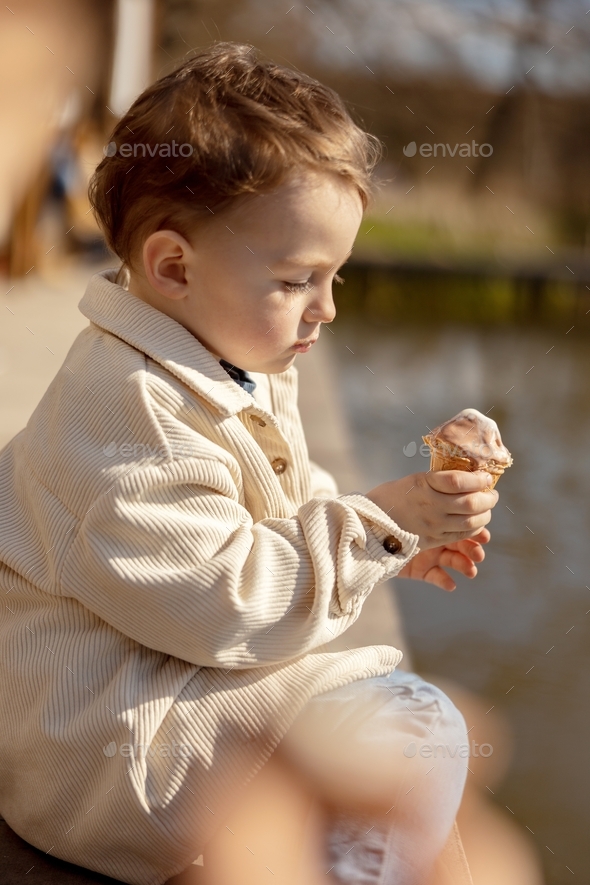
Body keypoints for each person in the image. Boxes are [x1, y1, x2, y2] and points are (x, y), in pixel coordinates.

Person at [0, 42, 498, 885]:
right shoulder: (128, 412)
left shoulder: (226, 358)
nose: (327, 309)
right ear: (173, 267)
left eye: (334, 276)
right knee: (411, 723)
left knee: (406, 735)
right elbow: (224, 602)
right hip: (112, 750)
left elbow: (278, 511)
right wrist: (382, 518)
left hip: (161, 688)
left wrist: (395, 545)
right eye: (299, 279)